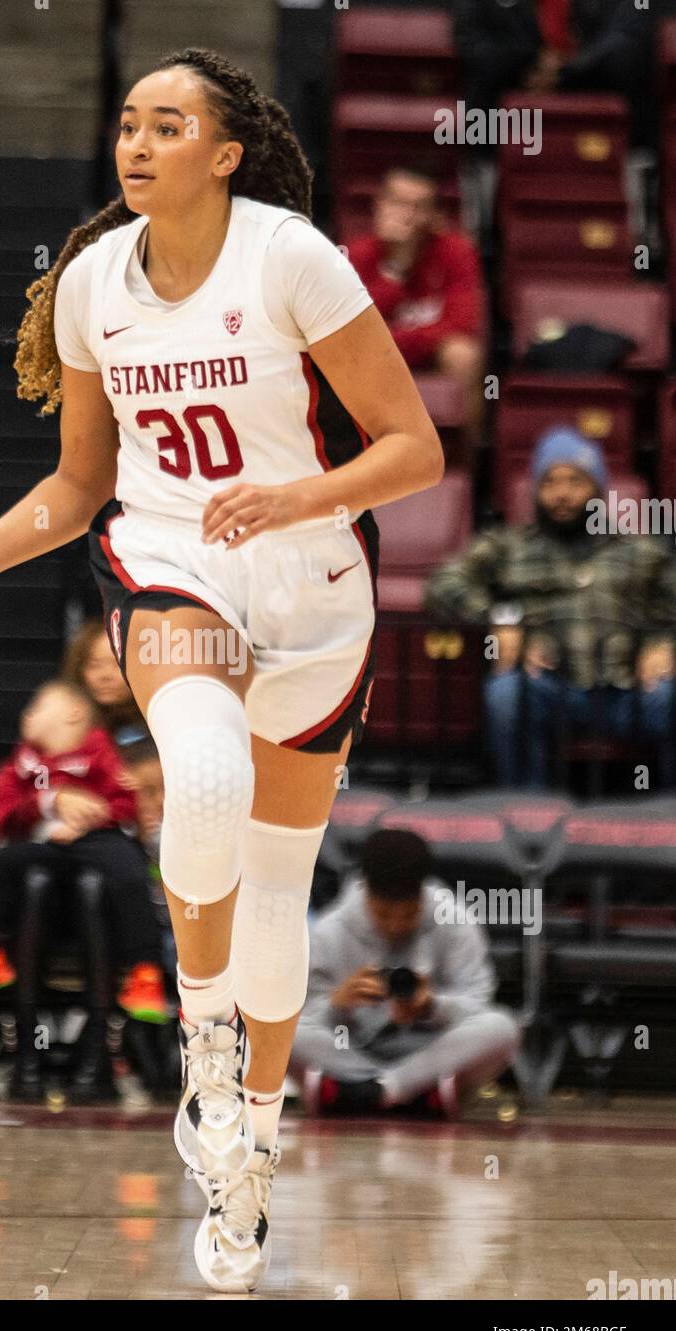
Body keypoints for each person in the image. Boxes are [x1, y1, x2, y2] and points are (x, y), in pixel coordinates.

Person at [0, 47, 443, 1292]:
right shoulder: (89, 286)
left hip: (314, 587)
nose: (135, 141)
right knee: (207, 784)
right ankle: (204, 1039)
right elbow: (79, 487)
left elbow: (414, 449)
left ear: (225, 155)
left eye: (167, 125)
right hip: (173, 559)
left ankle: (250, 1165)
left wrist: (297, 495)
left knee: (279, 895)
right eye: (127, 122)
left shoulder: (291, 257)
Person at [0, 678, 170, 1101]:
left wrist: (99, 815)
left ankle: (144, 970)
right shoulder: (23, 763)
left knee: (127, 866)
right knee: (4, 862)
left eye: (36, 708)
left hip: (96, 841)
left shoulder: (99, 751)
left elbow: (126, 804)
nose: (26, 716)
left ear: (72, 716)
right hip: (46, 849)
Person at [426, 427, 676, 789]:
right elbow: (443, 584)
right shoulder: (509, 545)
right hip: (550, 690)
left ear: (597, 488)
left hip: (630, 694)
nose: (562, 493)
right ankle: (526, 811)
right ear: (536, 490)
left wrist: (665, 645)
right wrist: (503, 618)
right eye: (550, 482)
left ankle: (668, 820)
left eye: (575, 481)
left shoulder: (639, 550)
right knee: (505, 692)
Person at [293, 829, 520, 1117]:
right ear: (366, 895)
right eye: (384, 915)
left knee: (502, 1028)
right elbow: (304, 1017)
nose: (396, 926)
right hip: (352, 1049)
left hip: (428, 1050)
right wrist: (338, 1004)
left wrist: (432, 1007)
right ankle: (413, 1095)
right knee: (281, 1033)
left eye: (408, 915)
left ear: (422, 895)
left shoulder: (454, 921)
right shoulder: (330, 930)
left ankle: (371, 1092)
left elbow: (478, 1004)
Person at [347, 164, 485, 442]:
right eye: (399, 204)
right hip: (377, 357)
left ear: (434, 216)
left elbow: (463, 323)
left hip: (425, 352)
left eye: (418, 207)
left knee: (465, 356)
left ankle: (468, 467)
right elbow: (352, 331)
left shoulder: (457, 252)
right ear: (380, 206)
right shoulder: (356, 253)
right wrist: (395, 270)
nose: (407, 216)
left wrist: (395, 340)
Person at [452, 0, 656, 151]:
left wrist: (567, 68)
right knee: (481, 87)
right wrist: (532, 62)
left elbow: (630, 37)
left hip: (592, 86)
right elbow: (472, 42)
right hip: (514, 86)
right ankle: (485, 192)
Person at [61, 617, 149, 749]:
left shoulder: (160, 726)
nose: (105, 675)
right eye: (94, 665)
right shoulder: (67, 728)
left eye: (118, 665)